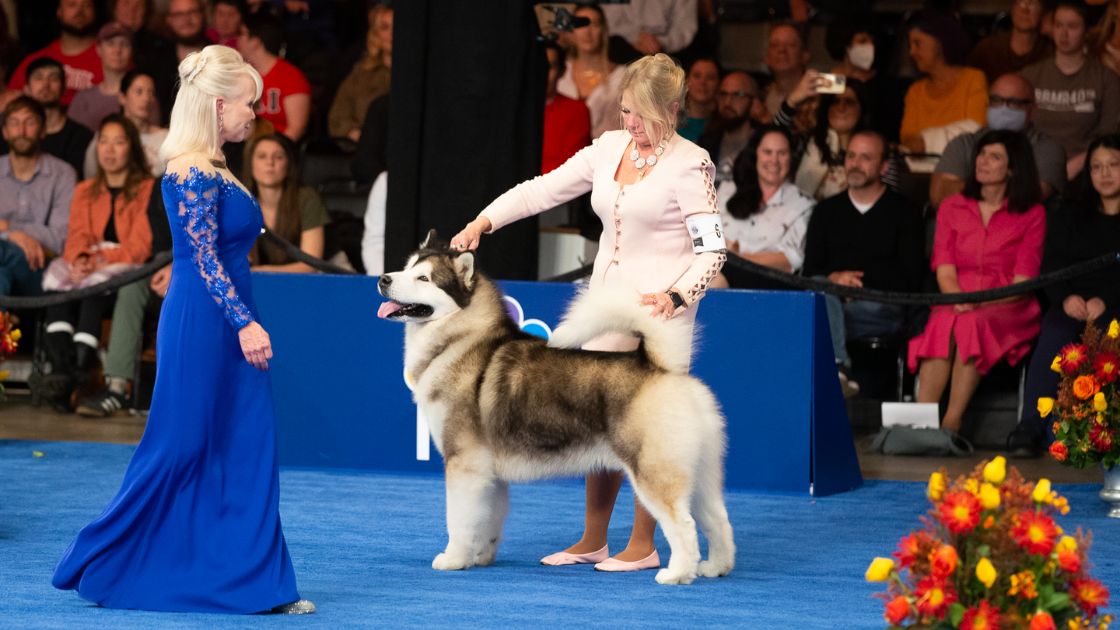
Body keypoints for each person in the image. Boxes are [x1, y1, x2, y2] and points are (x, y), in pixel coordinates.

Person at [52, 45, 313, 615]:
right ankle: (95, 557)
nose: (255, 113)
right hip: (205, 322)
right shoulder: (190, 167)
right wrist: (246, 324)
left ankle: (257, 585)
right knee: (181, 444)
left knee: (246, 446)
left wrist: (243, 321)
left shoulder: (215, 164)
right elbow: (203, 260)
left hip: (223, 316)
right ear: (219, 106)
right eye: (247, 103)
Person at [450, 53, 726, 573]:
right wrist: (485, 220)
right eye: (625, 112)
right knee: (599, 425)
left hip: (660, 317)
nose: (633, 125)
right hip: (604, 309)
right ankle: (594, 539)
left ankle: (643, 546)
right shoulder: (609, 148)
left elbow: (713, 252)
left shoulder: (691, 163)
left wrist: (676, 296)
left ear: (672, 109)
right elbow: (543, 188)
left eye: (644, 115)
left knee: (646, 432)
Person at [908, 130, 1046, 435]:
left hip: (1008, 303)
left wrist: (978, 302)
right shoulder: (952, 206)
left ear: (1012, 169)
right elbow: (944, 269)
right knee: (944, 320)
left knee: (971, 322)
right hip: (955, 296)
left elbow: (1023, 282)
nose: (982, 162)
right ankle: (918, 425)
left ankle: (951, 424)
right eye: (981, 155)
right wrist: (957, 298)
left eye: (994, 157)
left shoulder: (1032, 214)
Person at [1007, 134, 1120, 457]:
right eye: (1097, 167)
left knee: (1109, 338)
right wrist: (1067, 297)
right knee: (1054, 333)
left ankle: (1105, 431)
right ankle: (1030, 426)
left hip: (1114, 304)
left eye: (1113, 165)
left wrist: (1107, 301)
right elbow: (1051, 263)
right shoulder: (1069, 211)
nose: (1105, 173)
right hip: (1072, 301)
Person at [39, 115, 156, 410]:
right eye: (104, 141)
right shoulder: (84, 190)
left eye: (118, 142)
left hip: (123, 271)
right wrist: (80, 260)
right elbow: (76, 235)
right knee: (60, 290)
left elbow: (140, 247)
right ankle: (62, 371)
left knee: (90, 295)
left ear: (132, 148)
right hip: (90, 268)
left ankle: (80, 371)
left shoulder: (147, 189)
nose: (110, 150)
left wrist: (100, 260)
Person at [802, 131, 925, 396]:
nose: (855, 164)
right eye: (851, 156)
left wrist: (853, 285)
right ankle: (839, 368)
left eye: (866, 158)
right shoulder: (825, 211)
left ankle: (838, 368)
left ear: (883, 167)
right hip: (833, 304)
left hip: (882, 310)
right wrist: (835, 281)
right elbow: (809, 271)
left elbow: (910, 278)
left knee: (820, 305)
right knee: (817, 294)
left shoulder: (905, 213)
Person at [930, 73, 1066, 209]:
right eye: (996, 100)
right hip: (962, 227)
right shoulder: (965, 143)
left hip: (1016, 228)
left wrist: (970, 188)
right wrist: (998, 187)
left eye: (1014, 103)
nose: (1003, 108)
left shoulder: (1047, 148)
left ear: (1032, 110)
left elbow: (1032, 196)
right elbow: (939, 194)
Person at [1021, 0, 1120, 180]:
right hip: (1032, 169)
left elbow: (1108, 138)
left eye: (1072, 26)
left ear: (1086, 30)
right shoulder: (1029, 76)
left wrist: (1078, 164)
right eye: (1058, 25)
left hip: (1084, 173)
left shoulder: (1107, 79)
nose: (1064, 34)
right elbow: (1016, 128)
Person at [719, 124, 814, 287]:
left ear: (791, 157)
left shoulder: (803, 204)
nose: (774, 160)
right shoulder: (726, 190)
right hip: (717, 275)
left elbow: (790, 260)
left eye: (782, 153)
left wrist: (733, 259)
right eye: (767, 152)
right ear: (755, 154)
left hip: (768, 285)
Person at [0, 96, 75, 302]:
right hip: (7, 270)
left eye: (30, 122)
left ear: (43, 130)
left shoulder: (63, 174)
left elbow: (61, 239)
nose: (22, 130)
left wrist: (8, 229)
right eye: (14, 123)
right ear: (5, 132)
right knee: (2, 275)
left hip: (41, 268)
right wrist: (13, 236)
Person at [899, 12, 988, 155]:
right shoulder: (915, 91)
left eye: (917, 43)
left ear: (940, 41)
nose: (912, 52)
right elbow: (908, 143)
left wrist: (926, 142)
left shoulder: (974, 79)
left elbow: (975, 132)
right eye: (910, 45)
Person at [776, 74, 872, 201]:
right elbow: (768, 140)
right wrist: (792, 101)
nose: (841, 107)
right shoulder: (804, 143)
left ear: (862, 110)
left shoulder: (877, 151)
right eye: (835, 101)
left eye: (849, 102)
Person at [243, 133, 328, 273]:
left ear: (288, 165)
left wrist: (259, 271)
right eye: (262, 156)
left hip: (325, 277)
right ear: (250, 164)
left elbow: (311, 266)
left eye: (278, 157)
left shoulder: (306, 197)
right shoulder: (243, 203)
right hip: (271, 281)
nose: (270, 162)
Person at [9, 58, 94, 178]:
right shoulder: (12, 134)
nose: (46, 85)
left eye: (53, 78)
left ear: (64, 88)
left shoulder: (81, 136)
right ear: (26, 89)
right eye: (38, 78)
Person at [7, 0, 101, 106]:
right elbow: (10, 103)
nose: (79, 11)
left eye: (87, 5)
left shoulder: (111, 59)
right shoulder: (36, 60)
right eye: (72, 5)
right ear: (59, 12)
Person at [556, 4, 625, 140]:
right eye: (580, 24)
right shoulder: (560, 74)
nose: (587, 31)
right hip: (565, 154)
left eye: (594, 24)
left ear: (603, 31)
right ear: (571, 31)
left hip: (607, 154)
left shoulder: (623, 77)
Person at [84, 70, 170, 178]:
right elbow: (91, 175)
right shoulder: (104, 136)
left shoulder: (166, 138)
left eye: (151, 93)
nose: (146, 99)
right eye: (139, 92)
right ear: (122, 97)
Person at [238, 15, 311, 141]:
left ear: (255, 41)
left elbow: (296, 128)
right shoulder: (240, 75)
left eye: (242, 34)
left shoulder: (290, 76)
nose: (237, 39)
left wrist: (272, 151)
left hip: (280, 149)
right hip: (245, 148)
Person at [328, 0, 391, 142]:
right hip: (367, 148)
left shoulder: (418, 76)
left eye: (397, 27)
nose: (392, 34)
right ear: (375, 34)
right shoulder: (361, 75)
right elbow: (337, 117)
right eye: (385, 27)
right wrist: (355, 133)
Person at [68, 22, 136, 133]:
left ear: (131, 51)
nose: (117, 51)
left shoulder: (142, 95)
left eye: (124, 44)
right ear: (98, 49)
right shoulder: (84, 99)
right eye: (110, 44)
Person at [967, 0, 1053, 84]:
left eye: (1032, 4)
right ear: (1012, 9)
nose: (1024, 10)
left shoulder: (1051, 52)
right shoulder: (987, 49)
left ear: (1043, 12)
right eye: (1020, 2)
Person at [697, 70, 756, 189]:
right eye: (723, 94)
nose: (728, 102)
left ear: (753, 102)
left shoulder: (761, 145)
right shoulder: (707, 142)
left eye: (737, 95)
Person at [542, 42, 590, 175]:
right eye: (537, 65)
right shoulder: (514, 112)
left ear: (561, 71)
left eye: (550, 66)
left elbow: (571, 172)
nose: (542, 72)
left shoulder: (576, 110)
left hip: (552, 191)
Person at [761, 22, 811, 120]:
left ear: (805, 55)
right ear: (767, 58)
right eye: (775, 45)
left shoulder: (819, 97)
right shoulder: (759, 98)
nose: (781, 50)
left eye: (791, 45)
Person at [678, 57, 718, 142]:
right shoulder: (670, 121)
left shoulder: (723, 124)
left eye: (710, 77)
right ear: (687, 80)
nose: (703, 82)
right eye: (697, 76)